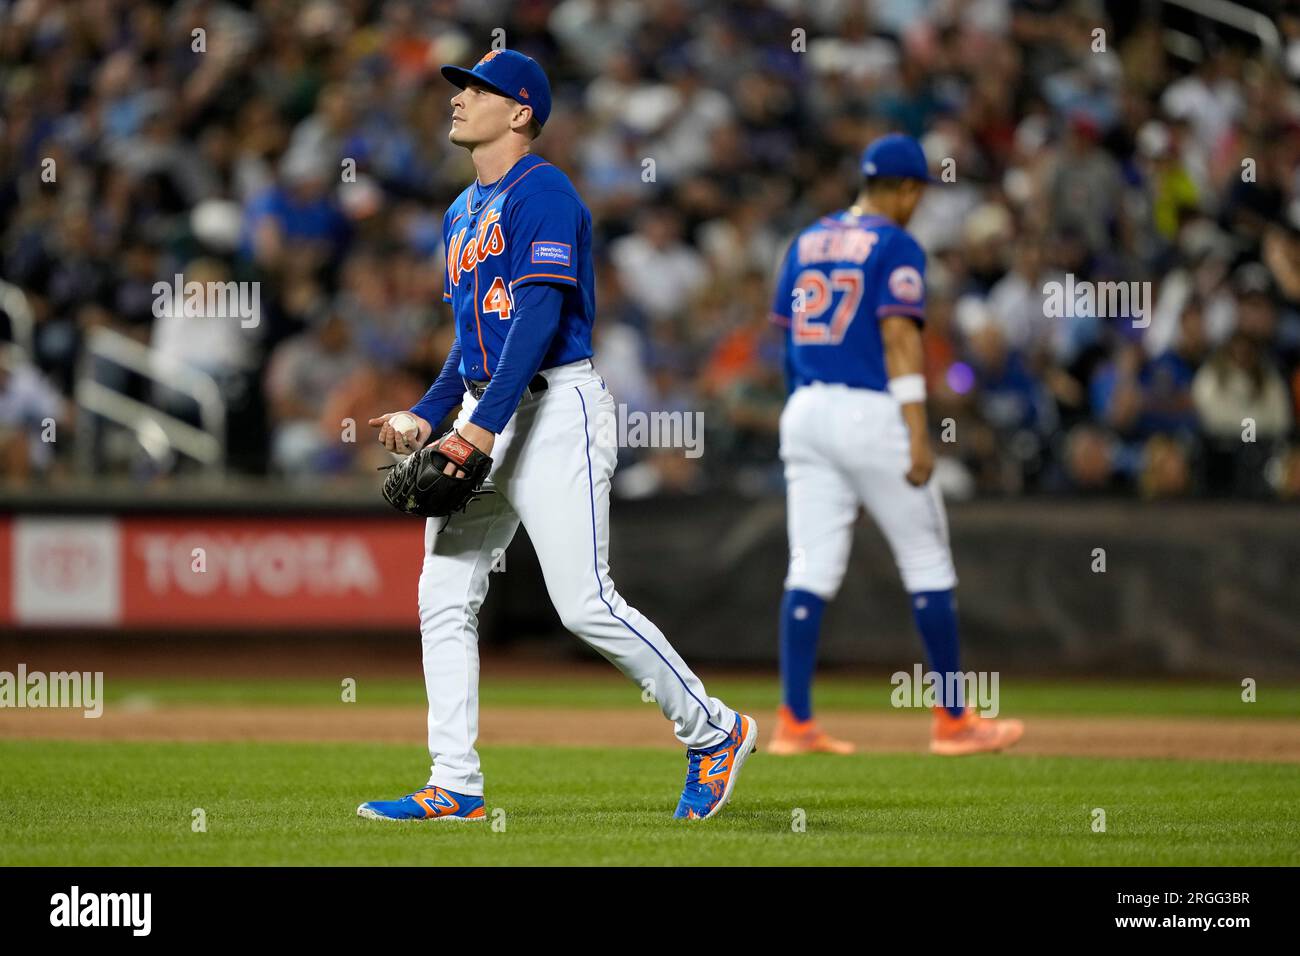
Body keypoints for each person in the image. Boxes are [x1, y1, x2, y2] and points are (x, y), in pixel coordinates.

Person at [358, 50, 755, 822]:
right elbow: (470, 339)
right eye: (459, 88)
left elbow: (537, 322)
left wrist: (475, 430)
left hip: (553, 410)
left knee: (584, 603)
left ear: (521, 112)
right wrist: (427, 412)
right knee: (442, 597)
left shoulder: (543, 190)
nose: (459, 99)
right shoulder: (461, 210)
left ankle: (713, 729)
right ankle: (456, 785)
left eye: (477, 90)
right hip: (486, 408)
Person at [768, 133, 1025, 756]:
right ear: (907, 189)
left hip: (804, 408)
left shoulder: (807, 240)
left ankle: (794, 721)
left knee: (812, 566)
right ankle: (954, 721)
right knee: (927, 560)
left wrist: (803, 408)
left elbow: (785, 338)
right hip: (869, 409)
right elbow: (901, 340)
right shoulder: (896, 243)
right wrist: (917, 430)